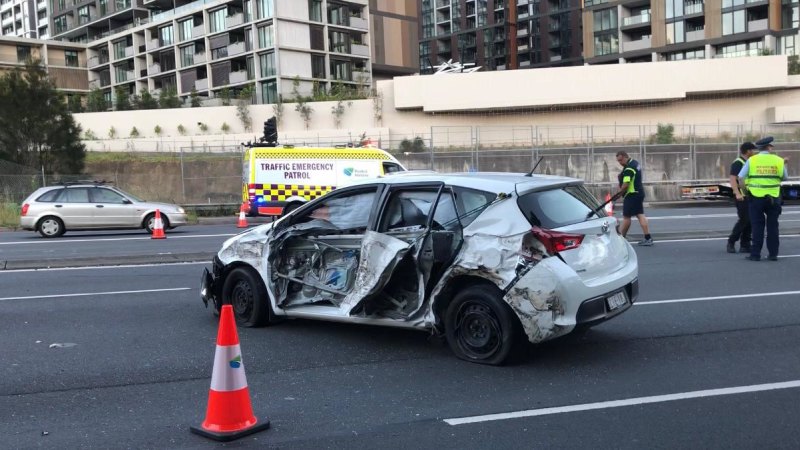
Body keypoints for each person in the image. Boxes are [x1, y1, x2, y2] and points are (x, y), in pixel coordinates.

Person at [738, 136, 788, 261]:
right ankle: (773, 254)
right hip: (774, 197)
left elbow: (740, 178)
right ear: (769, 147)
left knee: (757, 226)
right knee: (773, 226)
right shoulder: (778, 160)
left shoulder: (752, 160)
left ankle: (755, 254)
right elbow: (785, 178)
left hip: (755, 197)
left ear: (759, 148)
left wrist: (745, 192)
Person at [614, 151, 653, 246]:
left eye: (620, 160)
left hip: (632, 195)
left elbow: (625, 185)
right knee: (640, 215)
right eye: (618, 161)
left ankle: (621, 238)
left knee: (626, 217)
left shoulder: (629, 169)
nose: (619, 163)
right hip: (639, 193)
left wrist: (619, 194)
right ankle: (648, 238)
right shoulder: (635, 163)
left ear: (625, 157)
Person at [727, 142, 757, 253]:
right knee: (744, 220)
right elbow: (732, 179)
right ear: (748, 151)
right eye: (753, 150)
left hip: (750, 194)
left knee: (750, 221)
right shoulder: (738, 163)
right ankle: (731, 241)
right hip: (741, 196)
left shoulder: (749, 162)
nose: (754, 152)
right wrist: (737, 193)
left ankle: (745, 244)